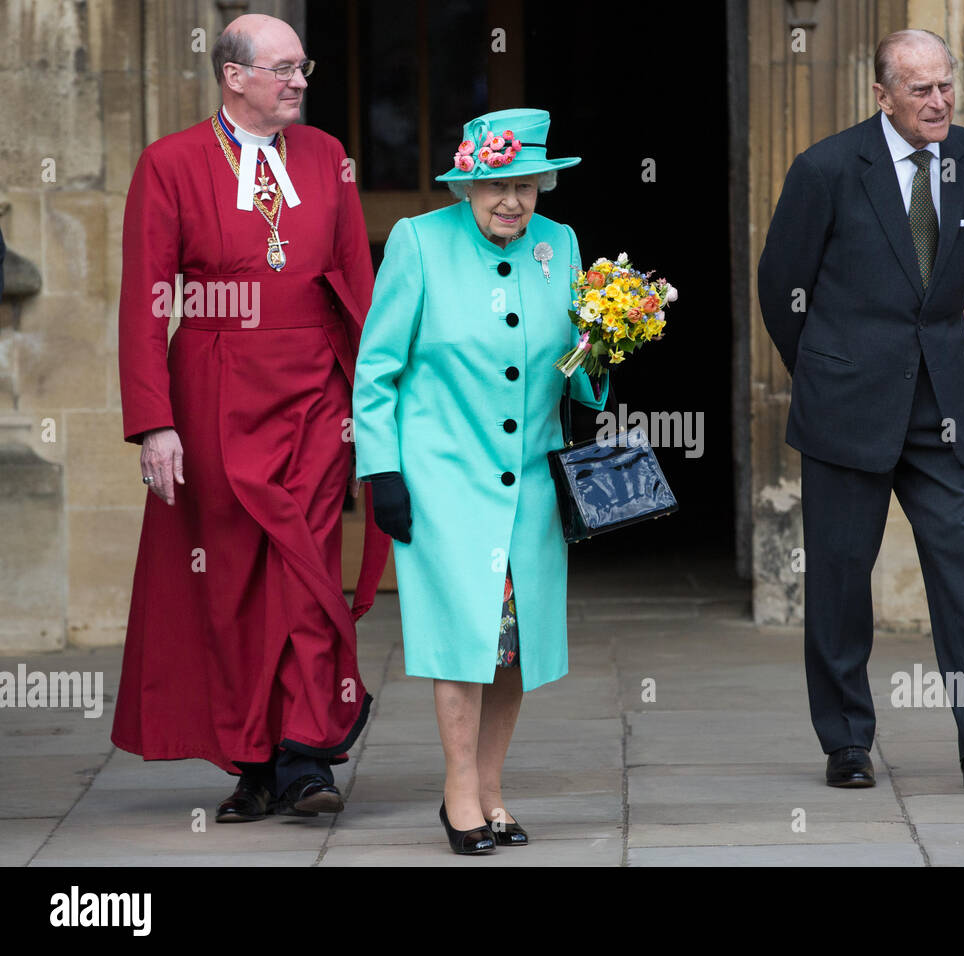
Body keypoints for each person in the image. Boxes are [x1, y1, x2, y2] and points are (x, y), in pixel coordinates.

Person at [113, 13, 390, 822]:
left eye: (302, 67)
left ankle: (306, 754)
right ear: (233, 77)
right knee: (230, 581)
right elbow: (145, 304)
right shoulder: (168, 163)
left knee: (306, 572)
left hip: (316, 395)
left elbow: (356, 278)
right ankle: (254, 759)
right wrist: (153, 422)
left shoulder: (328, 156)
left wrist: (376, 395)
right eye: (283, 68)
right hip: (213, 396)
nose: (299, 79)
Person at [758, 29, 964, 789]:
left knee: (963, 571)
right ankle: (847, 742)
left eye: (945, 84)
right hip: (846, 405)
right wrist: (826, 371)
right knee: (842, 581)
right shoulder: (825, 168)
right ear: (881, 95)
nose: (938, 100)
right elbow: (782, 289)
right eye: (920, 89)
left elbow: (942, 288)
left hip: (941, 403)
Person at [352, 108, 609, 855]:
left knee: (514, 645)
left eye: (528, 187)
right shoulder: (419, 243)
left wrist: (608, 348)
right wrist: (383, 471)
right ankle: (458, 790)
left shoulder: (558, 245)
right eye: (498, 186)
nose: (514, 203)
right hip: (443, 481)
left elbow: (575, 370)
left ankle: (492, 787)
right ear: (468, 183)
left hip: (530, 480)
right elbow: (376, 369)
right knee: (465, 637)